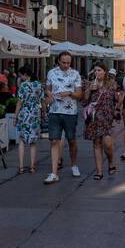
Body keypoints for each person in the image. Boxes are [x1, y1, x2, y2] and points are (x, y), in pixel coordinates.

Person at [44, 51, 85, 184]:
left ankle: (74, 165)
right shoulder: (51, 73)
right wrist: (49, 94)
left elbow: (80, 95)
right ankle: (54, 172)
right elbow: (47, 89)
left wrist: (69, 93)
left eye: (69, 62)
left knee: (71, 140)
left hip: (70, 112)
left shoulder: (75, 74)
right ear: (58, 61)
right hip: (54, 111)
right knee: (54, 141)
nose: (66, 65)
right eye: (64, 62)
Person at [84, 63, 119, 180]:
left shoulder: (111, 84)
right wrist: (89, 90)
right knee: (96, 144)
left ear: (105, 72)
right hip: (94, 118)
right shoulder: (90, 84)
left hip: (106, 118)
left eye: (99, 70)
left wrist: (117, 111)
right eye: (95, 71)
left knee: (108, 144)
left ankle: (111, 161)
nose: (96, 73)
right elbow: (84, 102)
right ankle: (99, 171)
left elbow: (117, 99)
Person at [14, 67, 43, 174]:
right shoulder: (38, 85)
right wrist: (43, 113)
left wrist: (15, 116)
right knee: (33, 142)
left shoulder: (23, 85)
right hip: (35, 114)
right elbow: (42, 100)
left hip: (25, 114)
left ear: (25, 74)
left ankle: (21, 167)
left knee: (22, 140)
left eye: (21, 75)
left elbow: (19, 102)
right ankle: (32, 166)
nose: (20, 77)